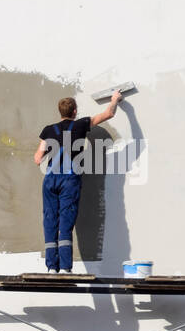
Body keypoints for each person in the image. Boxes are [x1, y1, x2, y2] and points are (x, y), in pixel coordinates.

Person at [33, 91, 121, 273]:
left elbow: (37, 158)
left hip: (50, 179)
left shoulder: (49, 130)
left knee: (50, 221)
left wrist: (54, 147)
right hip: (69, 179)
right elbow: (108, 114)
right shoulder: (80, 124)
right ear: (74, 111)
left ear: (60, 112)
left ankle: (51, 268)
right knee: (65, 221)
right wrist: (114, 99)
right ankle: (64, 268)